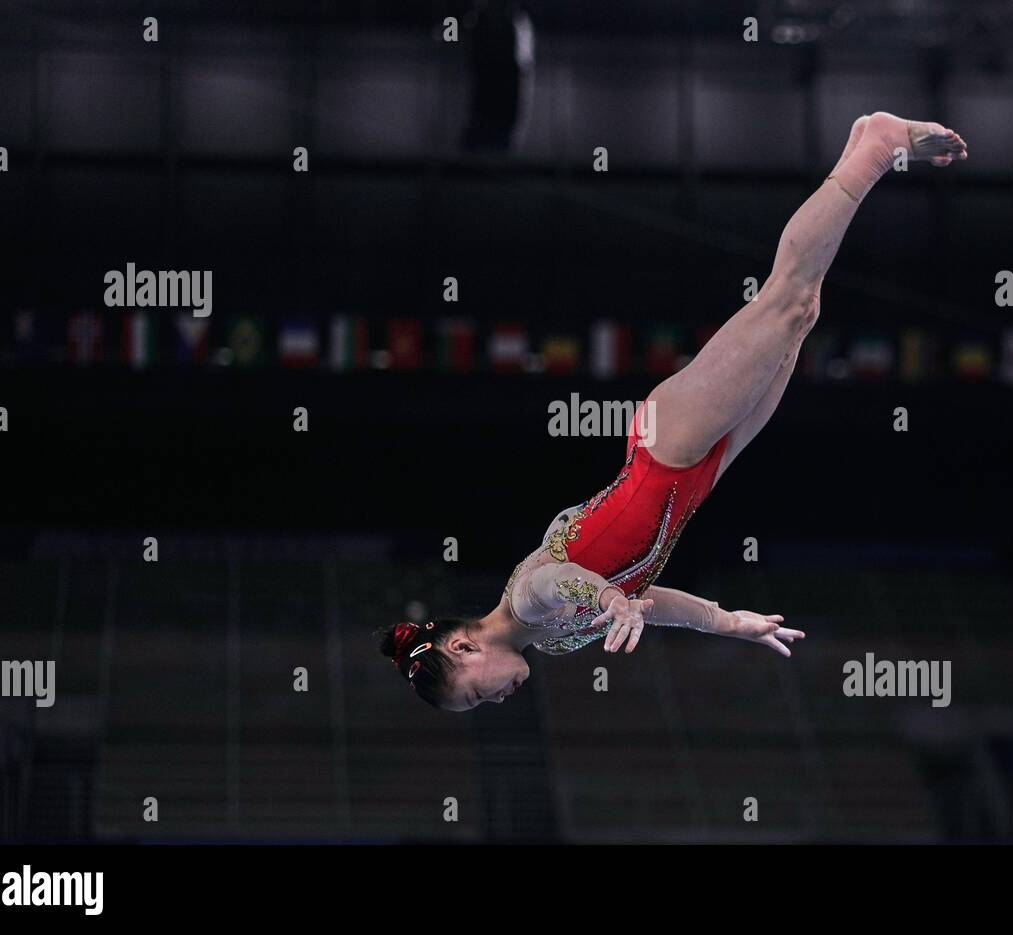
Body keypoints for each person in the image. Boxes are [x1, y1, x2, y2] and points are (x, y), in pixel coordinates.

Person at [380, 112, 968, 710]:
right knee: (803, 314)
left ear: (462, 649)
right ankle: (860, 144)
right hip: (699, 475)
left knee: (786, 300)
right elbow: (650, 599)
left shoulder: (525, 601)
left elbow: (563, 582)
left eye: (477, 696)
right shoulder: (553, 642)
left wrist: (609, 602)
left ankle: (873, 149)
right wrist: (725, 622)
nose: (497, 700)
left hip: (666, 448)